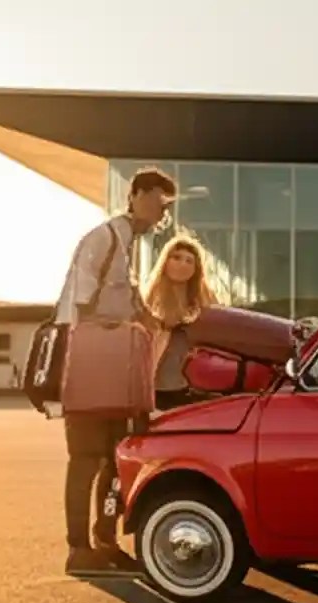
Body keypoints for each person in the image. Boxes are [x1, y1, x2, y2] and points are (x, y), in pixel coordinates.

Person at [57, 166, 175, 577]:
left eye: (166, 209)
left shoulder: (127, 249)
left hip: (117, 373)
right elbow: (82, 304)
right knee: (86, 459)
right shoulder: (104, 239)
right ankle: (78, 549)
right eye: (158, 203)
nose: (161, 215)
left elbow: (129, 307)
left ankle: (105, 541)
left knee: (114, 461)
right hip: (91, 368)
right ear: (137, 194)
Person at [142, 231, 221, 410]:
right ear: (165, 261)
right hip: (157, 389)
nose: (182, 264)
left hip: (194, 387)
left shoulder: (206, 302)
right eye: (176, 257)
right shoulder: (148, 302)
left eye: (189, 260)